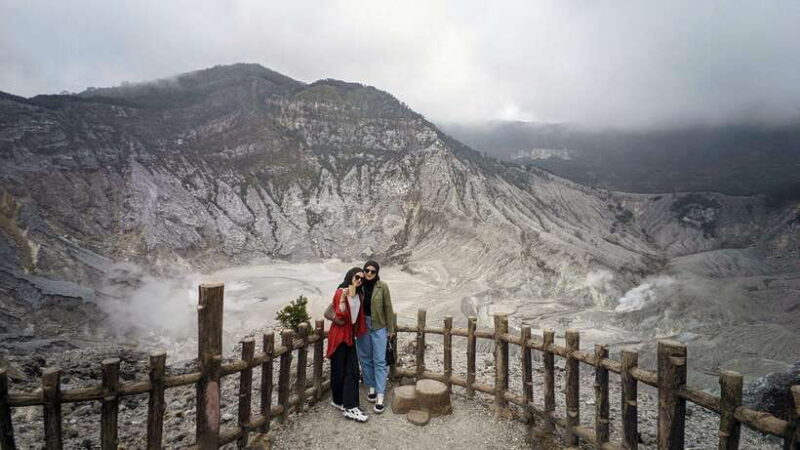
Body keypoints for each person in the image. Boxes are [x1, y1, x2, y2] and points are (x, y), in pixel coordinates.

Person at [326, 267, 369, 422]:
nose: (359, 280)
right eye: (357, 277)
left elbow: (357, 316)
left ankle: (339, 401)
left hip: (349, 336)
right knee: (348, 370)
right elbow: (341, 312)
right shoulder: (340, 292)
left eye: (361, 279)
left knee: (346, 369)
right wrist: (344, 298)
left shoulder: (359, 294)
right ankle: (350, 407)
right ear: (350, 276)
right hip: (339, 336)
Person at [355, 260, 395, 413]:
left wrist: (390, 329)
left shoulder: (382, 286)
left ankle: (380, 395)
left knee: (379, 360)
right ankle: (371, 387)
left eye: (373, 271)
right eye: (367, 270)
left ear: (377, 273)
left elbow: (388, 308)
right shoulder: (359, 285)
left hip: (379, 326)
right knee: (365, 358)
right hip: (363, 327)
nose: (369, 273)